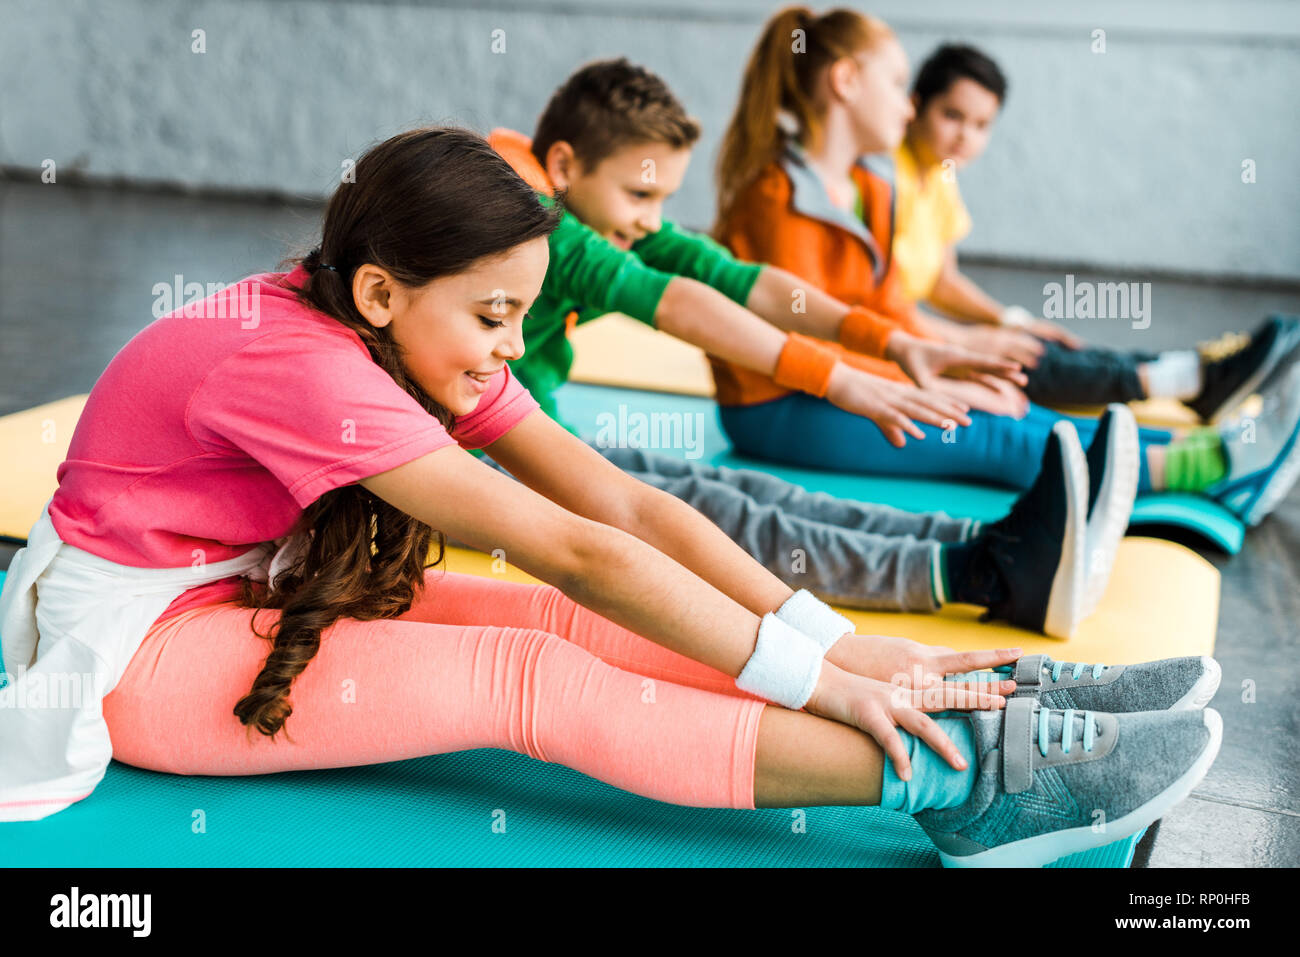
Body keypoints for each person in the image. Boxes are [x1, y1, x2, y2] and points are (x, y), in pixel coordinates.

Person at [0, 128, 1222, 868]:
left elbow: (622, 511)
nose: (507, 346)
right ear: (380, 293)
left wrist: (846, 655)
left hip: (226, 586)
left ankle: (959, 692)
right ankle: (963, 780)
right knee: (531, 679)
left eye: (521, 314)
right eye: (493, 317)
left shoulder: (402, 327)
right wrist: (811, 683)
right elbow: (568, 547)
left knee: (561, 626)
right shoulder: (305, 364)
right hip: (138, 653)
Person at [486, 57, 1139, 637]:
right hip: (479, 463)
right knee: (713, 514)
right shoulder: (535, 228)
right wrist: (834, 378)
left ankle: (998, 542)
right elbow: (674, 302)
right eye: (640, 194)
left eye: (663, 198)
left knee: (733, 487)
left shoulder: (597, 213)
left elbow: (737, 280)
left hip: (526, 432)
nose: (652, 220)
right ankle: (980, 575)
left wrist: (891, 341)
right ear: (567, 166)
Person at [709, 5, 1300, 530]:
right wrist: (927, 383)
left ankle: (1212, 450)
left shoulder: (868, 186)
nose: (908, 101)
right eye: (896, 83)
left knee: (1021, 407)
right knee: (986, 431)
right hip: (777, 405)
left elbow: (886, 308)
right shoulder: (776, 200)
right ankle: (1213, 471)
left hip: (845, 381)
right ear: (845, 82)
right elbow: (797, 343)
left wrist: (950, 364)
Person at [891, 42, 1300, 417]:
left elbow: (942, 282)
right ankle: (1187, 379)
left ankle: (1188, 371)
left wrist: (1012, 320)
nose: (965, 136)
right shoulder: (888, 177)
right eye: (951, 116)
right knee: (1018, 360)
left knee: (1038, 343)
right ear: (915, 105)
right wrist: (967, 340)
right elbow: (875, 302)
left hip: (912, 329)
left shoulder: (940, 175)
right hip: (892, 339)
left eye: (981, 125)